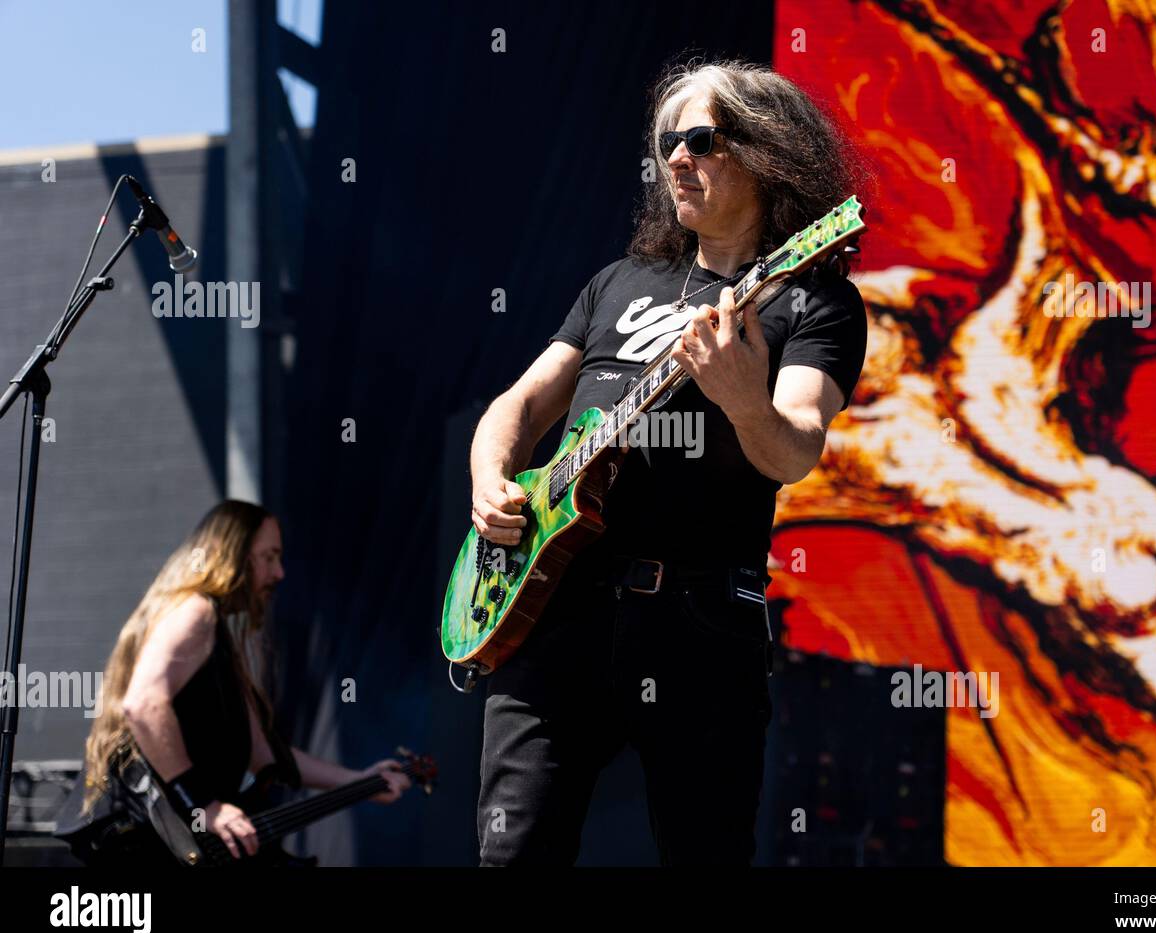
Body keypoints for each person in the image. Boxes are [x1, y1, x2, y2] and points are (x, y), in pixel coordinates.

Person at [469, 59, 868, 865]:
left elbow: (794, 450)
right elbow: (515, 406)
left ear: (767, 154)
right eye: (665, 143)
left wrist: (743, 399)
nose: (676, 158)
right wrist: (490, 481)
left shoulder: (812, 301)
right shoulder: (619, 281)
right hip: (553, 612)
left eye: (700, 139)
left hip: (696, 625)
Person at [64, 499, 409, 863]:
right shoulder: (196, 612)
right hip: (144, 841)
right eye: (269, 557)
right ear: (231, 552)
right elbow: (145, 706)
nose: (279, 573)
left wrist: (358, 781)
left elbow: (266, 756)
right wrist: (203, 806)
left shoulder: (212, 632)